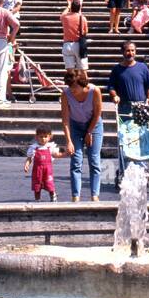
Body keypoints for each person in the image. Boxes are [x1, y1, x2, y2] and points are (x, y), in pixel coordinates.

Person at [61, 68, 104, 203]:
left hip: (94, 125)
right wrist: (68, 141)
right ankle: (75, 196)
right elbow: (66, 119)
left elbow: (97, 114)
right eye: (70, 87)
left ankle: (95, 195)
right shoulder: (66, 93)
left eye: (75, 87)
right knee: (76, 160)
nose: (72, 90)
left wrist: (89, 132)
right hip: (76, 126)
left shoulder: (94, 91)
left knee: (94, 160)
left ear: (82, 84)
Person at [106, 41, 149, 116]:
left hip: (141, 106)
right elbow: (111, 87)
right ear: (122, 52)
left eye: (132, 50)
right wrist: (114, 96)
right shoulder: (116, 69)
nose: (131, 53)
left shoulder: (143, 67)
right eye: (128, 51)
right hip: (124, 107)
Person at [25, 126, 62, 202]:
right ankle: (37, 199)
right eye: (41, 137)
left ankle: (52, 195)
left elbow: (56, 154)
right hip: (37, 170)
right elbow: (29, 157)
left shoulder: (50, 147)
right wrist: (27, 164)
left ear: (50, 137)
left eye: (45, 137)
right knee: (37, 183)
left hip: (47, 170)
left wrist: (65, 154)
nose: (43, 139)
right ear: (36, 137)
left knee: (49, 183)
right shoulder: (34, 148)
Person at [61, 0, 90, 71]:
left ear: (71, 7)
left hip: (67, 44)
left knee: (70, 71)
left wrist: (68, 6)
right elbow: (85, 32)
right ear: (79, 8)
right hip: (78, 45)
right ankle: (83, 82)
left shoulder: (65, 17)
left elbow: (62, 14)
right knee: (83, 70)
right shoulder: (82, 18)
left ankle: (71, 82)